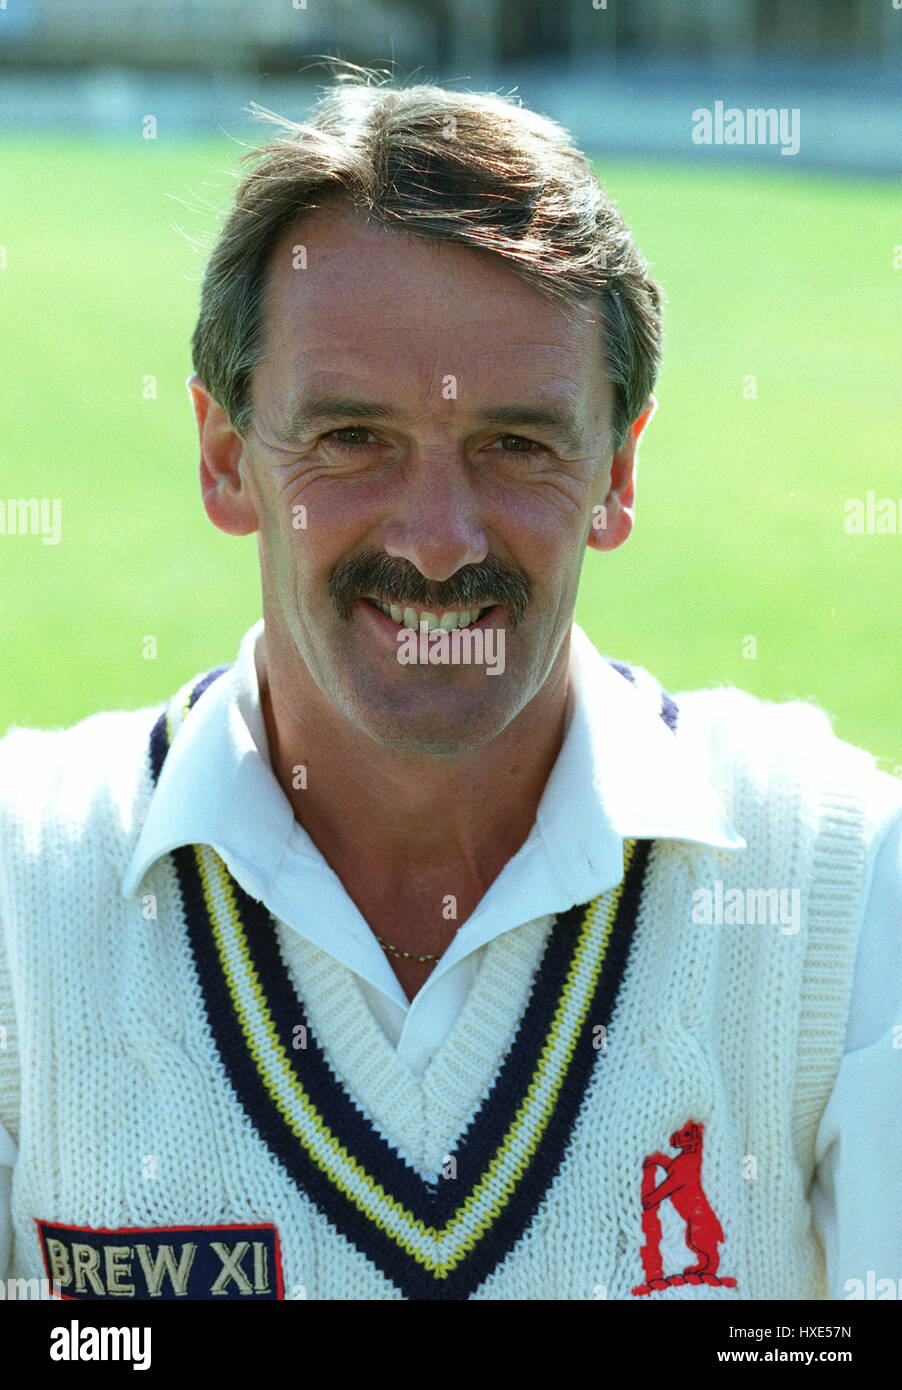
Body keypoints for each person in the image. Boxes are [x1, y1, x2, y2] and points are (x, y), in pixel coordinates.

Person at [1, 77, 900, 1302]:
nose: (436, 538)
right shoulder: (22, 887)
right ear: (225, 458)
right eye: (352, 438)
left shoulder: (833, 878)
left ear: (617, 472)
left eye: (515, 444)